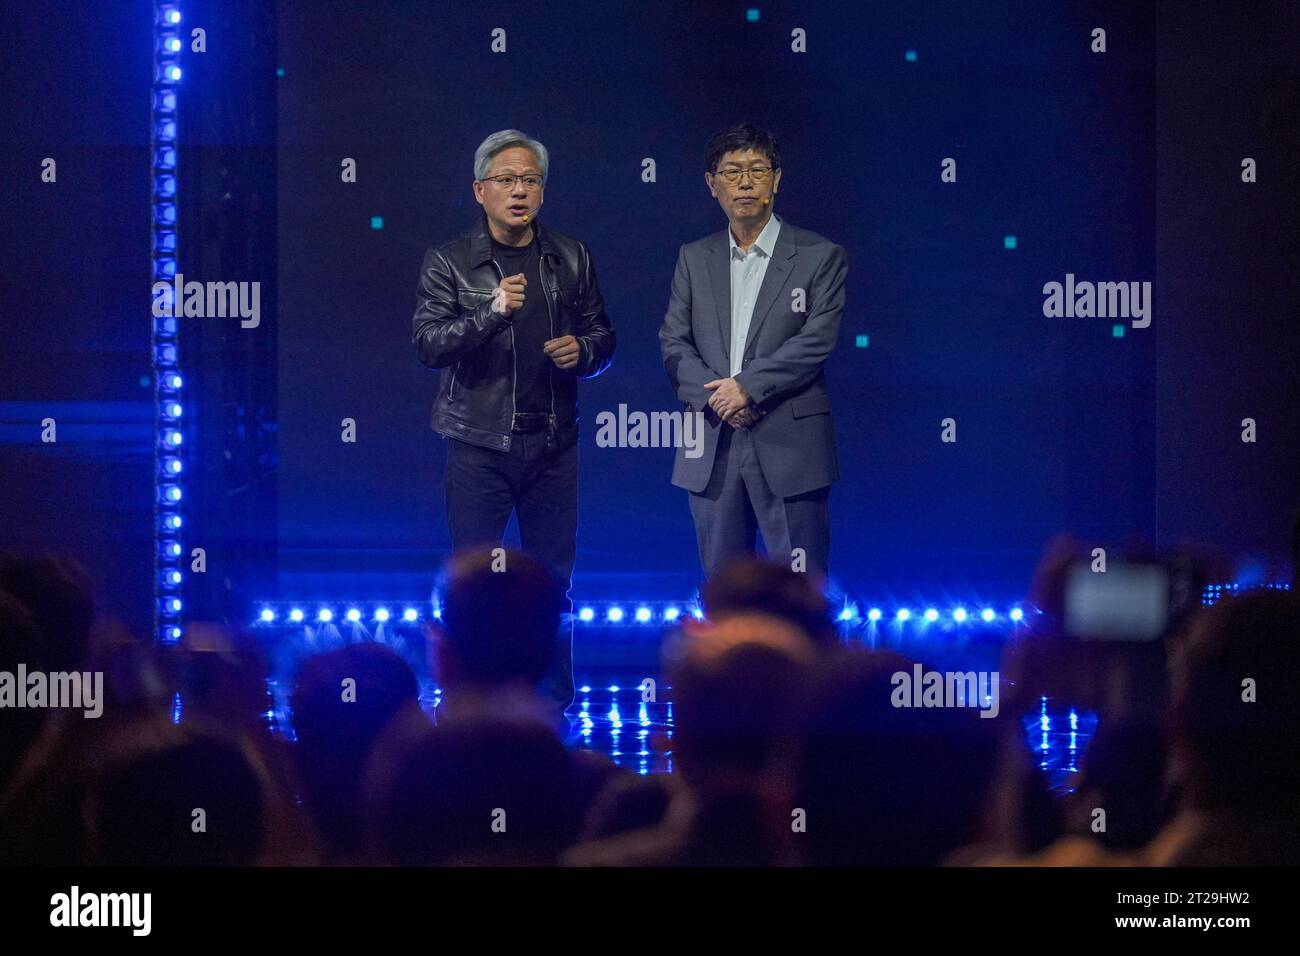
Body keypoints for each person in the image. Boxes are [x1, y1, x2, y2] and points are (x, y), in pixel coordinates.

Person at [412, 130, 616, 718]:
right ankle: (473, 700)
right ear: (480, 191)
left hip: (554, 443)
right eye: (505, 180)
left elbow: (604, 335)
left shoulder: (572, 255)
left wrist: (586, 350)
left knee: (553, 585)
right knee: (474, 585)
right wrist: (491, 311)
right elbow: (429, 344)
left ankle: (552, 705)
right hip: (478, 444)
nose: (518, 190)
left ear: (543, 193)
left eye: (529, 180)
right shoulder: (449, 261)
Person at [659, 123, 845, 581]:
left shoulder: (819, 255)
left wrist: (747, 388)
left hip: (789, 444)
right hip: (712, 443)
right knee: (723, 593)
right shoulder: (694, 256)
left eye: (757, 170)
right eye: (731, 172)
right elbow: (673, 342)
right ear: (712, 184)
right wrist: (716, 398)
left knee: (802, 590)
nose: (744, 182)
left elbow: (816, 340)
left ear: (776, 180)